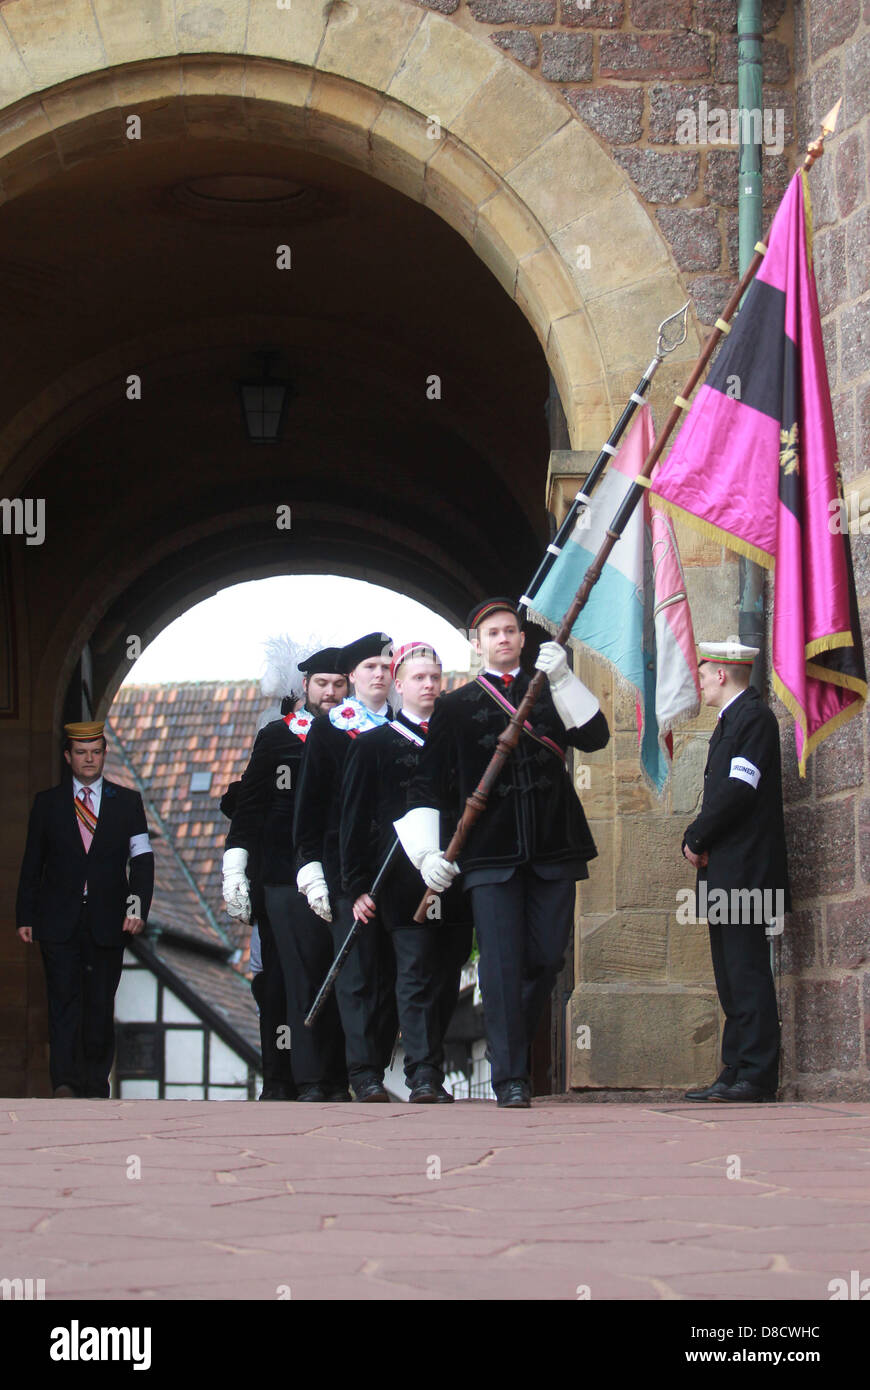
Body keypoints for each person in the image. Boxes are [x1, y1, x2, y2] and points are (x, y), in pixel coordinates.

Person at [396, 599, 609, 1108]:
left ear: (521, 636)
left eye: (510, 630)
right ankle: (510, 1074)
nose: (504, 638)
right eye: (493, 632)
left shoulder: (551, 688)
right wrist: (428, 853)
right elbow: (427, 786)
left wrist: (564, 682)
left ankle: (509, 1044)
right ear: (478, 643)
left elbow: (597, 737)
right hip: (490, 855)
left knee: (545, 956)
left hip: (554, 843)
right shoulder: (454, 707)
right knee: (499, 963)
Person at [340, 643, 472, 1103]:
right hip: (397, 882)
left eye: (435, 677)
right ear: (400, 685)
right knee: (412, 974)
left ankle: (427, 1066)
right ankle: (422, 1076)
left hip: (454, 882)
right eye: (418, 678)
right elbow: (353, 820)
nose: (429, 685)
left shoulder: (459, 742)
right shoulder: (374, 745)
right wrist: (355, 885)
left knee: (446, 974)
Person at [222, 647, 350, 1102]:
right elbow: (250, 805)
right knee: (280, 983)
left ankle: (334, 1078)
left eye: (338, 684)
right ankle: (284, 1079)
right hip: (279, 876)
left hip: (339, 874)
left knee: (338, 980)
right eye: (322, 684)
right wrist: (235, 865)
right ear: (306, 688)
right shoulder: (277, 737)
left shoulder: (358, 734)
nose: (330, 692)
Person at [16, 721, 154, 1098]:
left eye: (95, 751)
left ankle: (95, 1084)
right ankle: (63, 1083)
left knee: (99, 1003)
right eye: (81, 752)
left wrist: (136, 907)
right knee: (62, 1002)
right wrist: (25, 916)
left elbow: (141, 862)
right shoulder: (47, 804)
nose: (89, 759)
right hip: (57, 921)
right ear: (68, 757)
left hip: (109, 921)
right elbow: (32, 863)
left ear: (104, 754)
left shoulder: (127, 803)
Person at [681, 637, 789, 1104]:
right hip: (726, 869)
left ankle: (759, 1073)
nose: (700, 683)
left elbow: (738, 790)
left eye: (703, 675)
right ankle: (735, 1067)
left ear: (721, 674)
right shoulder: (731, 722)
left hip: (747, 870)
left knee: (746, 971)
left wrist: (696, 836)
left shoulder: (753, 719)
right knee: (728, 973)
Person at [294, 632, 399, 1102]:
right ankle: (362, 1073)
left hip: (400, 869)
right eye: (370, 667)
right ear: (353, 676)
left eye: (385, 666)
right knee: (355, 973)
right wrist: (311, 866)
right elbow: (309, 806)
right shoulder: (332, 728)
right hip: (345, 870)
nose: (379, 674)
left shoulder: (407, 725)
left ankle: (378, 1060)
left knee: (395, 972)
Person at [220, 778, 296, 1101]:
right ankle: (278, 1076)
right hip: (268, 907)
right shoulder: (262, 788)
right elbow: (232, 801)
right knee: (271, 993)